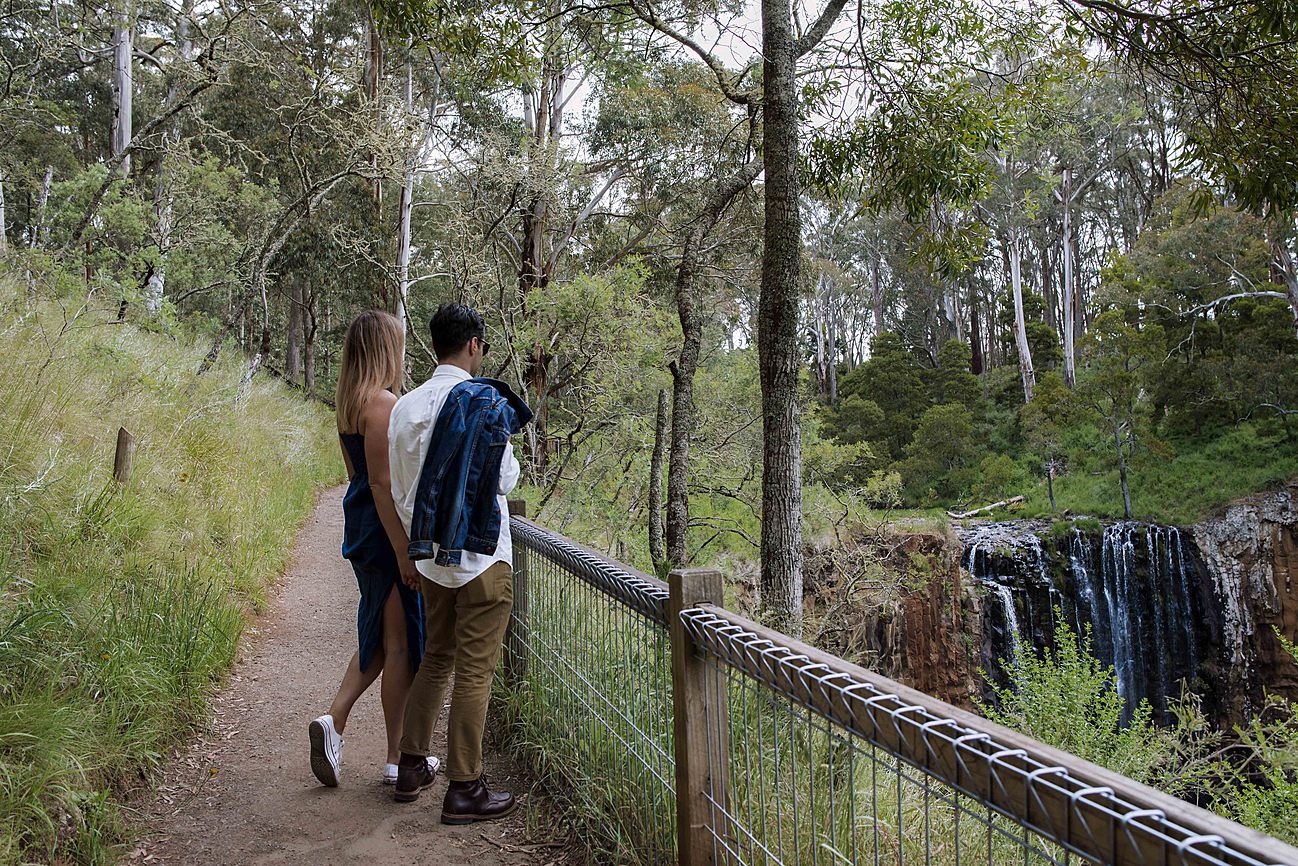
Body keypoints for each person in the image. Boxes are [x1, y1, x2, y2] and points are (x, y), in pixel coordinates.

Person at [387, 303, 528, 823]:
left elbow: (401, 488)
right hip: (483, 559)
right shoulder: (484, 401)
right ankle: (464, 787)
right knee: (475, 671)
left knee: (436, 657)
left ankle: (410, 764)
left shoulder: (404, 407)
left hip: (430, 559)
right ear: (474, 345)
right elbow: (505, 479)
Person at [308, 310, 439, 788]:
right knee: (400, 644)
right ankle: (395, 757)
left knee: (383, 639)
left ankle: (340, 726)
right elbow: (384, 485)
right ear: (386, 350)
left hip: (363, 524)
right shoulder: (383, 404)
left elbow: (356, 478)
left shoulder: (350, 404)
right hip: (385, 533)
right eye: (398, 346)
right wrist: (404, 551)